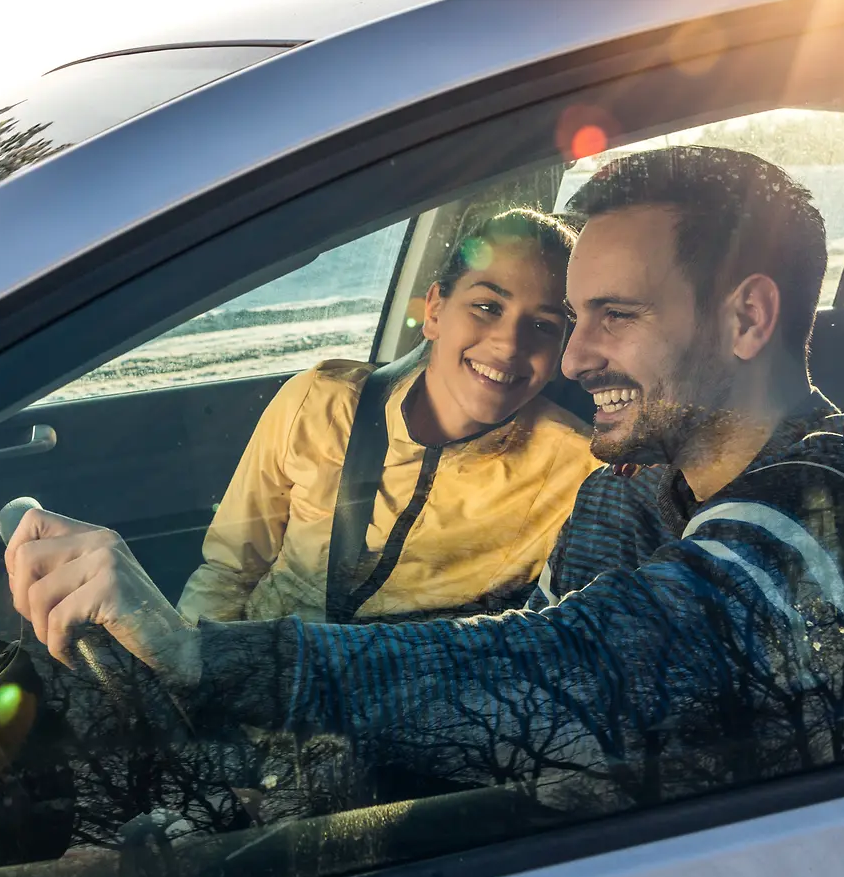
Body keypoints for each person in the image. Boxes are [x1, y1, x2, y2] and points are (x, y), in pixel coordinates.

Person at [1, 145, 844, 808]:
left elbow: (565, 673)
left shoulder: (830, 510)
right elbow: (513, 661)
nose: (574, 359)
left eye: (612, 317)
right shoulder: (627, 491)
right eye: (574, 317)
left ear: (747, 320)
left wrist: (210, 660)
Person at [178, 209, 598, 625]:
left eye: (543, 326)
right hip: (258, 667)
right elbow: (229, 572)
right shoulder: (320, 402)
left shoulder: (579, 471)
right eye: (487, 306)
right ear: (434, 311)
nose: (509, 345)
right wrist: (195, 672)